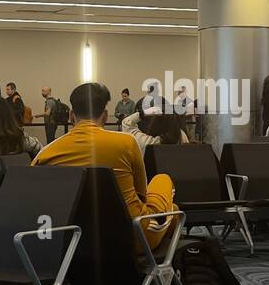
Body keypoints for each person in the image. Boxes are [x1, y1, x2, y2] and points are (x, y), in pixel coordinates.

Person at [32, 83, 177, 251]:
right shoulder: (126, 143)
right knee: (163, 182)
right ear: (105, 115)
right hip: (133, 238)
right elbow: (142, 195)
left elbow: (37, 202)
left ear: (72, 115)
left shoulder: (46, 152)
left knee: (172, 211)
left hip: (70, 241)